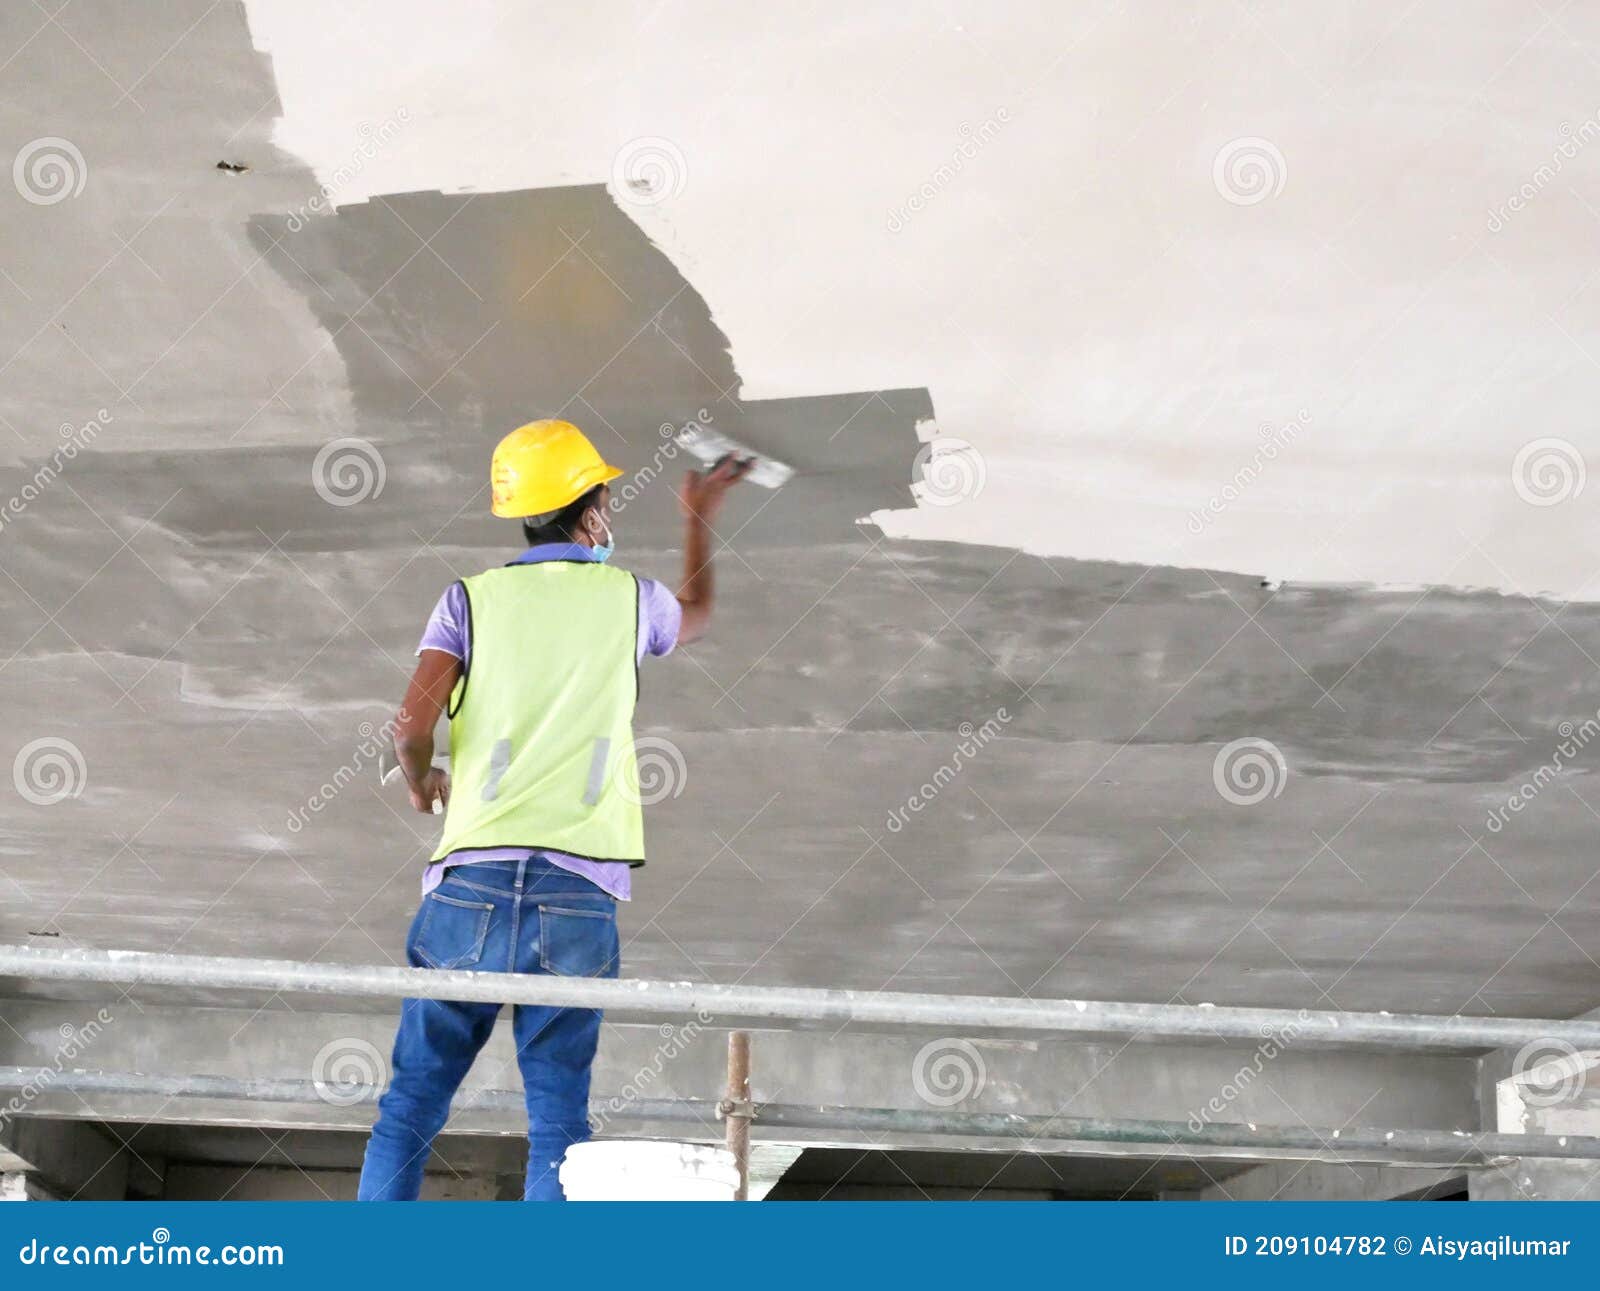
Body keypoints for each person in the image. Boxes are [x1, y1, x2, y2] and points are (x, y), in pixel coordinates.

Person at [357, 418, 750, 1201]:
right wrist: (696, 512)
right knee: (560, 1121)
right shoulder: (629, 599)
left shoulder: (468, 600)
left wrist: (419, 780)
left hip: (468, 883)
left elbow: (410, 727)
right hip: (575, 895)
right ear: (592, 510)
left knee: (410, 1103)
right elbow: (698, 610)